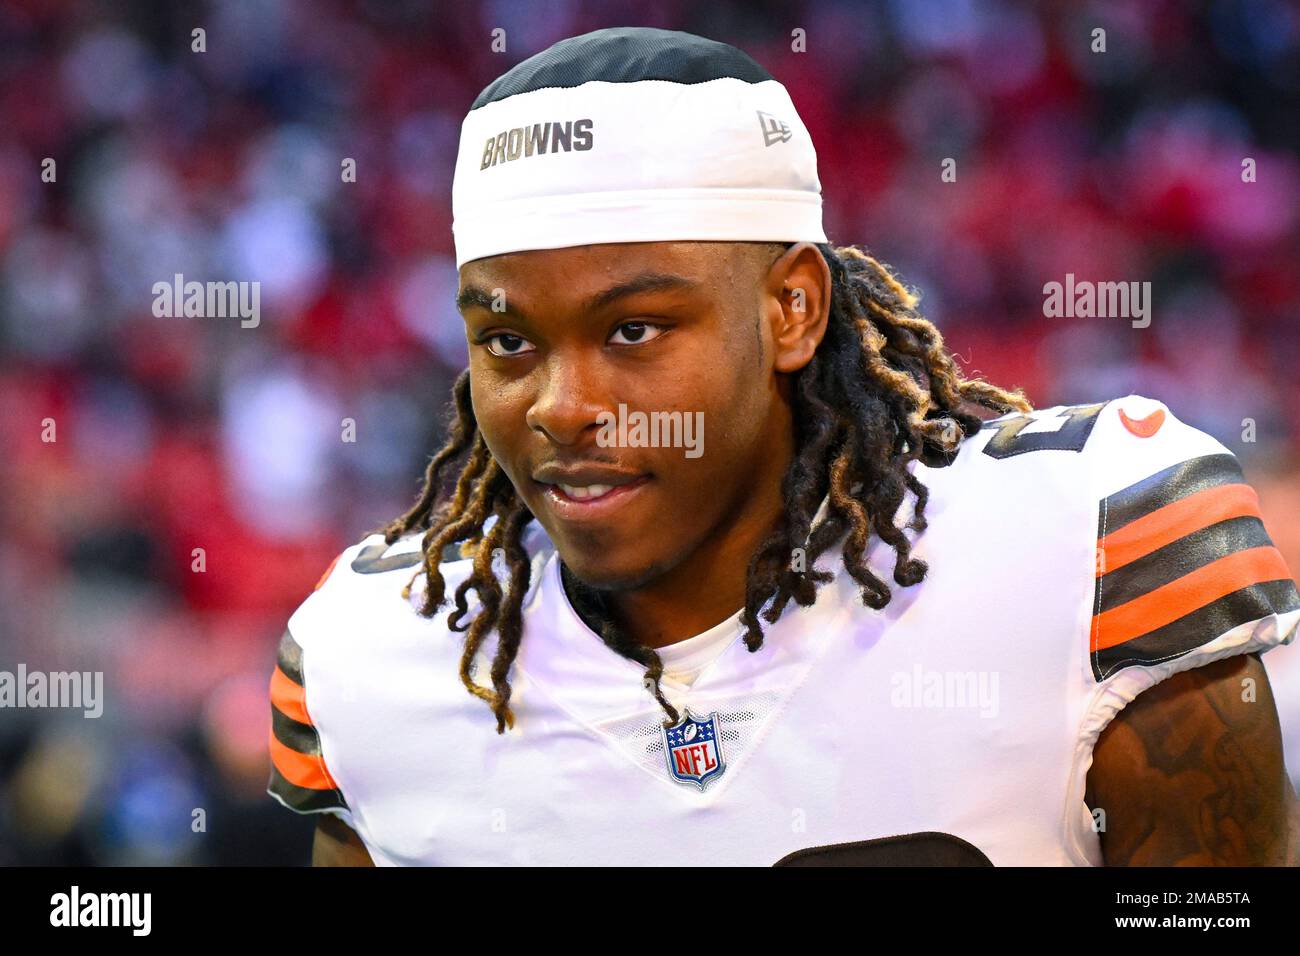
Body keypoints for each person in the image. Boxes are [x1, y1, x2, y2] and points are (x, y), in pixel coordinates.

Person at [267, 26, 1299, 866]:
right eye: (506, 341)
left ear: (792, 309)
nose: (561, 406)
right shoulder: (374, 658)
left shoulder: (1090, 546)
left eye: (633, 330)